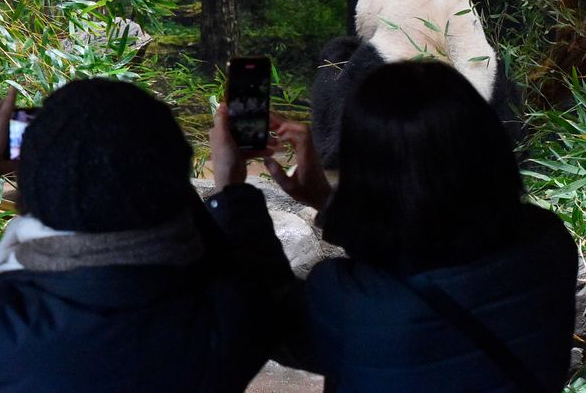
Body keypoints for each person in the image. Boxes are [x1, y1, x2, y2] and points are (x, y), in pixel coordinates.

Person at [0, 78, 296, 391]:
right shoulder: (233, 322)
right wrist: (230, 187)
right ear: (172, 177)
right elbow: (259, 282)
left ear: (32, 192)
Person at [212, 60, 577, 391]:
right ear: (489, 143)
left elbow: (271, 322)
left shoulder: (346, 300)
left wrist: (231, 192)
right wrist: (325, 199)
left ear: (366, 176)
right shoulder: (549, 245)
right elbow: (421, 251)